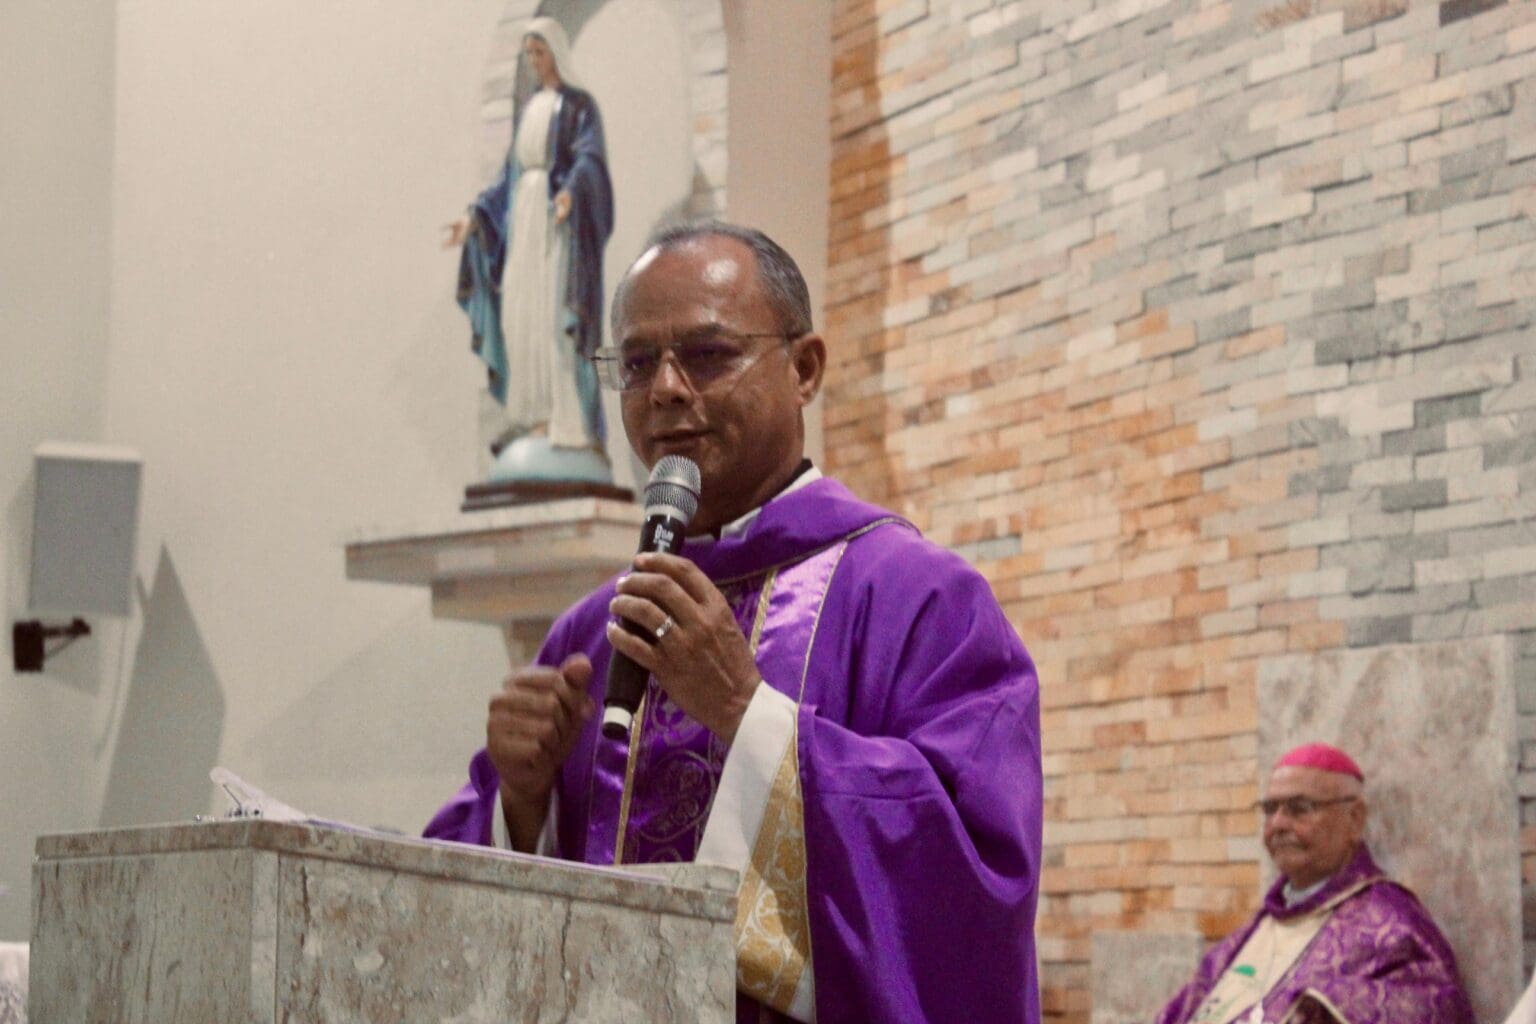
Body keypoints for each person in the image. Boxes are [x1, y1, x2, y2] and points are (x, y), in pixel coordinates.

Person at [425, 222, 1043, 1023]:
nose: (667, 390)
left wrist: (751, 717)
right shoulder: (591, 633)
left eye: (708, 355)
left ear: (805, 369)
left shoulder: (921, 601)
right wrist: (519, 806)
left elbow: (977, 884)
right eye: (638, 364)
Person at [1155, 743, 1474, 1024]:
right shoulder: (1252, 932)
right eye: (1270, 809)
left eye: (1299, 809)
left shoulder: (1392, 924)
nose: (1278, 824)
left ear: (1354, 819)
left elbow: (1436, 1008)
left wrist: (1321, 1005)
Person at [448, 16, 613, 457]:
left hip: (556, 228)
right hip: (523, 221)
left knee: (552, 315)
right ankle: (529, 415)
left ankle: (562, 418)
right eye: (529, 55)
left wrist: (571, 194)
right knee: (519, 319)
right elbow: (508, 177)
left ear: (555, 52)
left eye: (539, 52)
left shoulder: (578, 107)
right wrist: (475, 218)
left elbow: (589, 159)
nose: (535, 62)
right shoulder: (530, 112)